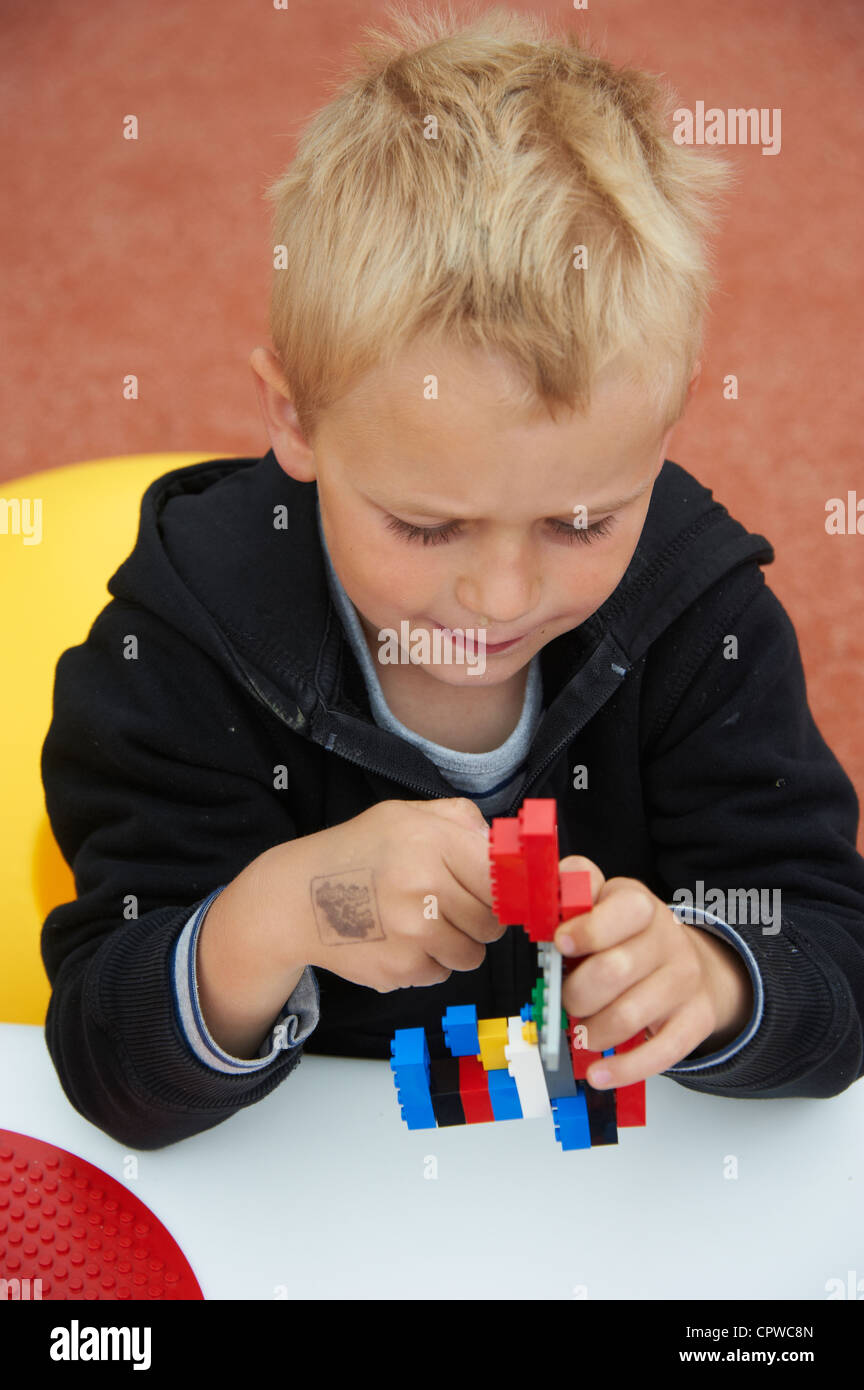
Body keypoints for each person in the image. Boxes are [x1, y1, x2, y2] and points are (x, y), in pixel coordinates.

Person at [41, 7, 864, 1149]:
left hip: (609, 1207)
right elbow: (104, 1057)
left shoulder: (701, 620)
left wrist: (717, 977)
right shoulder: (180, 645)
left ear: (664, 436)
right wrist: (278, 915)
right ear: (297, 417)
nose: (500, 595)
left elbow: (831, 947)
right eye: (427, 527)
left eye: (582, 520)